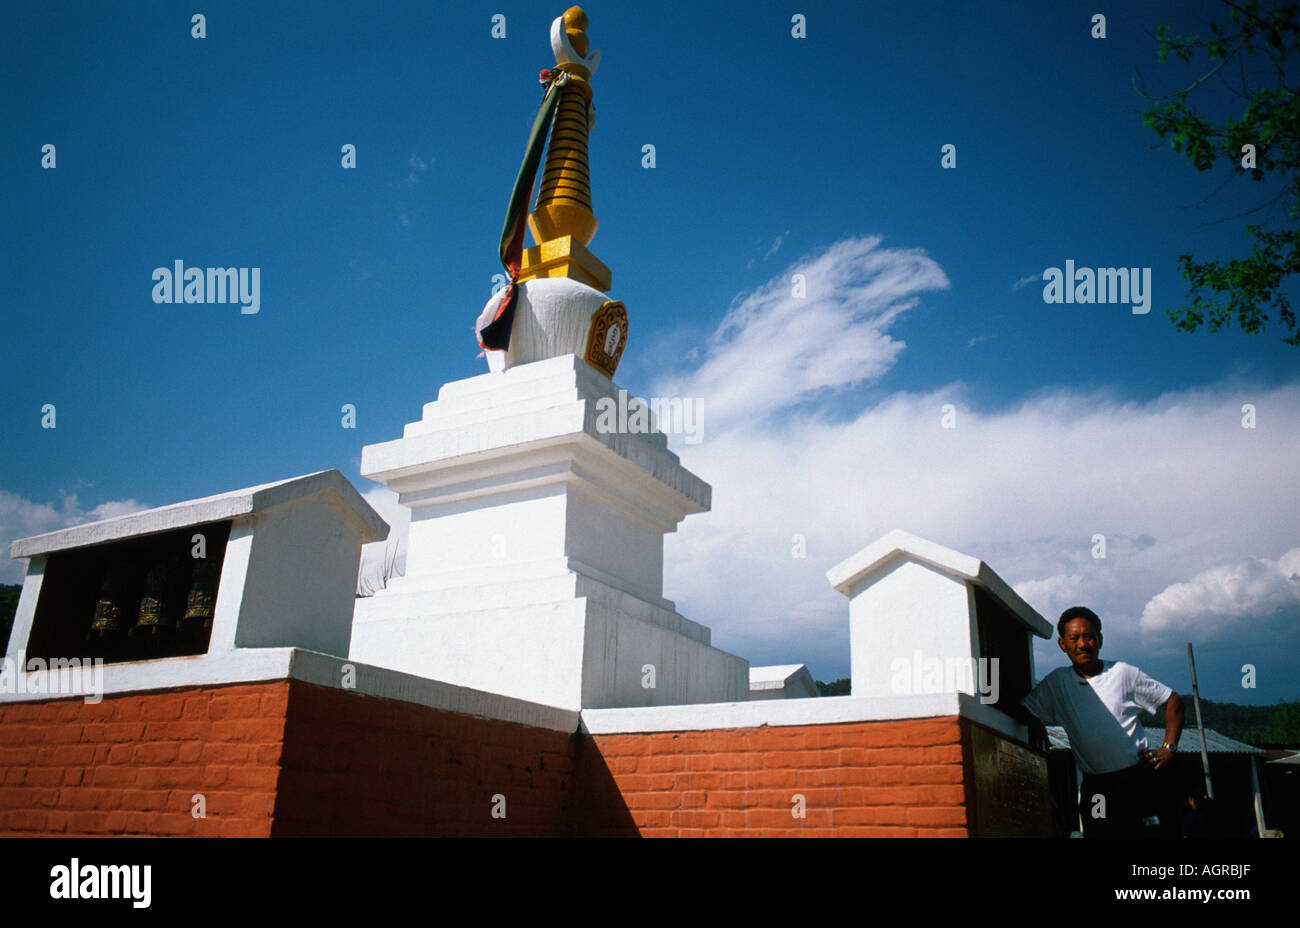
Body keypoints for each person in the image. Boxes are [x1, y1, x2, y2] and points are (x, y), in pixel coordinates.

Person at [1017, 606, 1184, 838]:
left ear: (1100, 640)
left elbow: (1173, 700)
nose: (1083, 644)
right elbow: (1024, 709)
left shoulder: (1123, 673)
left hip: (1138, 780)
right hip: (1097, 789)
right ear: (1062, 644)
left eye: (1089, 637)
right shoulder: (1058, 683)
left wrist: (1169, 748)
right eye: (1074, 638)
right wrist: (1034, 722)